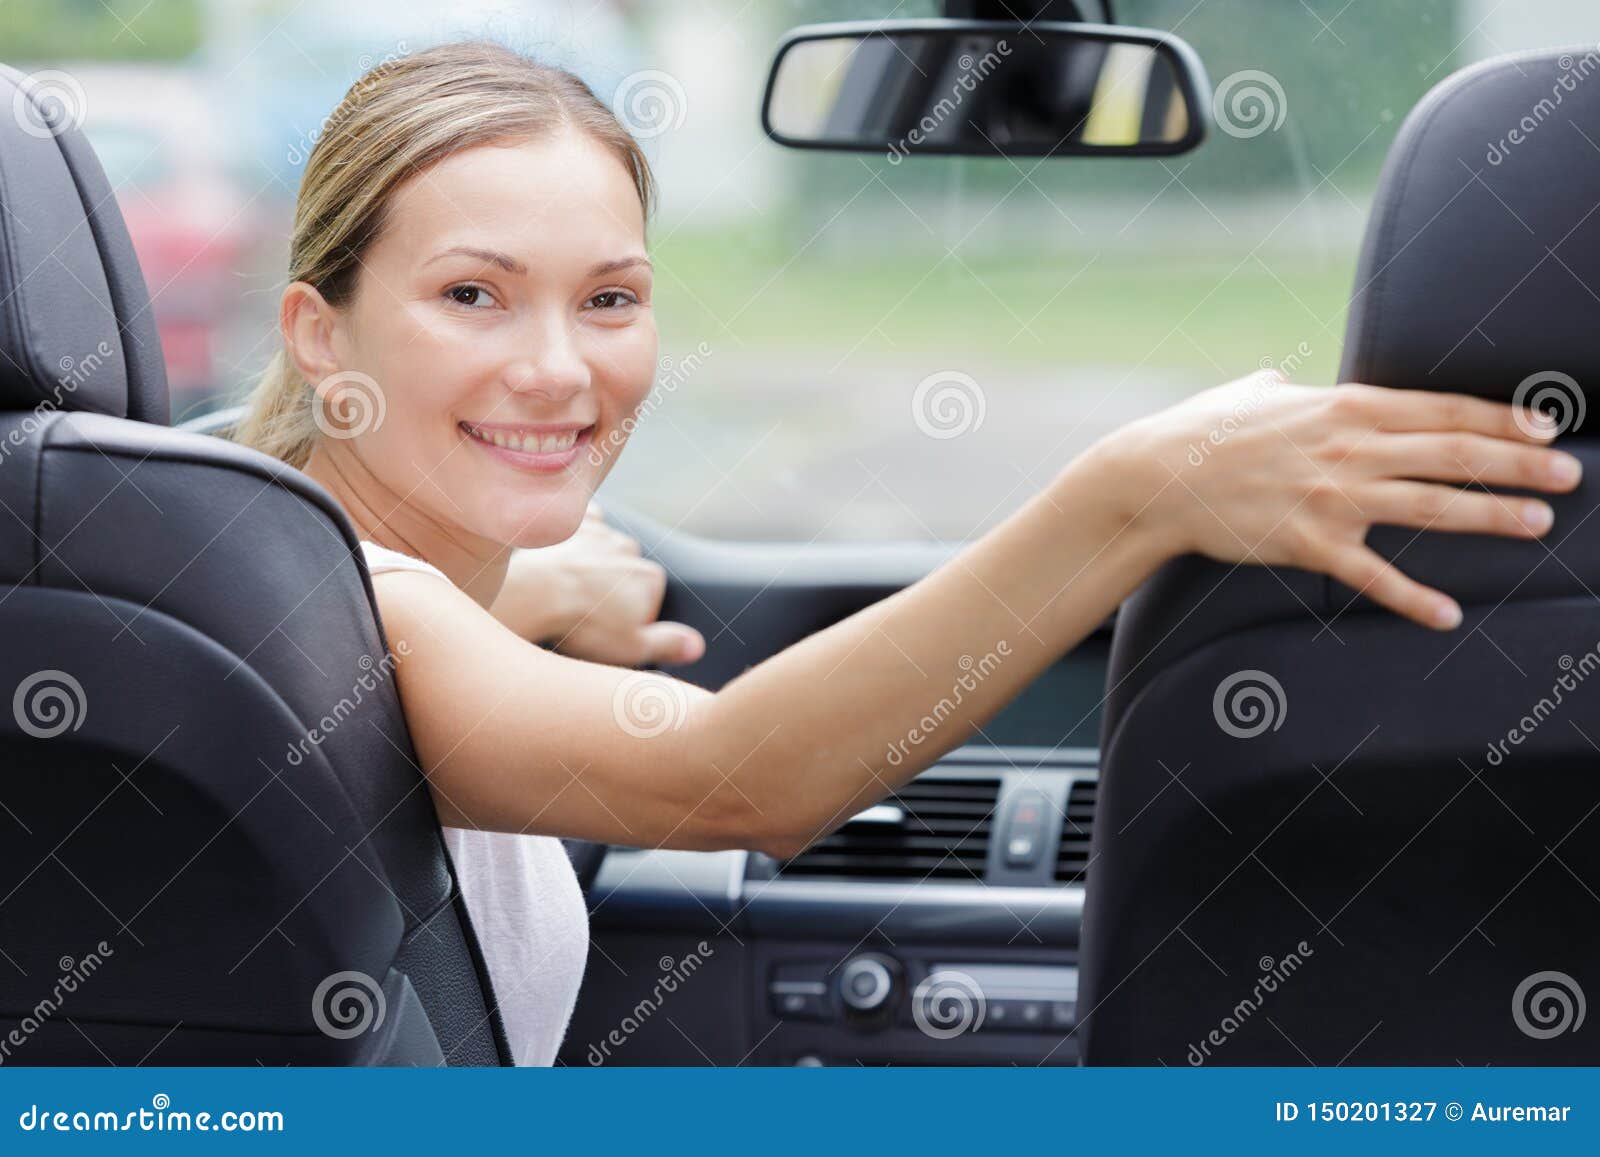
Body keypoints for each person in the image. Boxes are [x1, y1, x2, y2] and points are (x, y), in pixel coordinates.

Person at [230, 40, 1581, 1064]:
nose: (557, 367)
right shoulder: (354, 611)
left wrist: (531, 586)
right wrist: (1134, 492)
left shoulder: (334, 582)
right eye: (473, 294)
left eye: (610, 299)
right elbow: (731, 784)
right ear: (322, 332)